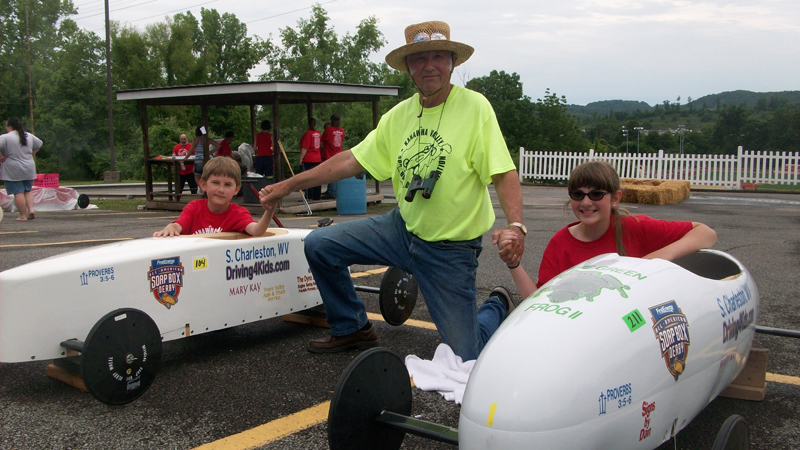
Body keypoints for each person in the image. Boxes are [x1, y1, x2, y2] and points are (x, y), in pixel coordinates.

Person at [261, 21, 525, 361]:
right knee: (319, 245)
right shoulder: (397, 116)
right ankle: (352, 325)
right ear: (409, 69)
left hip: (450, 248)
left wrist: (516, 226)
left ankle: (497, 303)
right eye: (419, 59)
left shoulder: (476, 109)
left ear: (452, 62)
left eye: (438, 56)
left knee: (465, 356)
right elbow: (349, 160)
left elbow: (503, 172)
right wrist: (288, 185)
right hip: (401, 230)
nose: (429, 65)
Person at [494, 160, 718, 299]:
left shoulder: (633, 227)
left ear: (615, 198)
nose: (586, 202)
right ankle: (499, 305)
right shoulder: (561, 242)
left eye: (596, 194)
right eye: (578, 194)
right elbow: (538, 302)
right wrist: (513, 263)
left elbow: (706, 233)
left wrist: (654, 260)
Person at [153, 157, 276, 237]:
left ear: (236, 189)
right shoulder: (194, 208)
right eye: (215, 183)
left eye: (227, 185)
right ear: (203, 184)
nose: (221, 190)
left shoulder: (238, 213)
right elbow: (178, 226)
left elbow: (257, 231)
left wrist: (270, 209)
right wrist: (170, 227)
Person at [0, 117, 42, 222]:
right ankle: (31, 210)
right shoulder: (28, 135)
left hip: (13, 167)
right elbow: (39, 144)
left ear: (9, 126)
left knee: (18, 192)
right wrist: (31, 154)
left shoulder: (5, 137)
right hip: (29, 166)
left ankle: (22, 215)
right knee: (28, 190)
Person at [320, 114, 345, 199]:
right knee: (336, 173)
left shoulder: (328, 130)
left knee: (329, 173)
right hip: (338, 154)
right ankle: (335, 191)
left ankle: (331, 192)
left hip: (328, 155)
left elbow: (321, 142)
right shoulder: (342, 131)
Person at [298, 118, 322, 200]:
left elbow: (305, 147)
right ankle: (317, 196)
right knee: (317, 178)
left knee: (307, 178)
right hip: (317, 158)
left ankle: (308, 196)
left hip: (308, 158)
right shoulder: (318, 133)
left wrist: (301, 158)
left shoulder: (308, 134)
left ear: (308, 125)